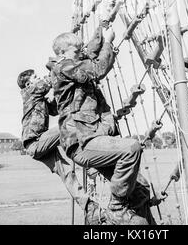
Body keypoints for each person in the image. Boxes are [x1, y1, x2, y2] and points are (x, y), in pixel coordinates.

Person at [50, 28, 153, 225]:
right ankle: (116, 209)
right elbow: (97, 69)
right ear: (62, 53)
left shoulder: (72, 62)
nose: (80, 54)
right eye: (75, 51)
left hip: (97, 138)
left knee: (141, 189)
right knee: (131, 148)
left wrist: (102, 29)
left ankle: (130, 219)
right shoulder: (63, 66)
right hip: (83, 141)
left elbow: (88, 52)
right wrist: (109, 43)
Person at [17, 69, 87, 208]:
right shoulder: (29, 92)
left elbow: (55, 109)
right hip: (35, 142)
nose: (39, 77)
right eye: (35, 77)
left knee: (67, 173)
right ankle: (88, 155)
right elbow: (46, 83)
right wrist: (60, 71)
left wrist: (66, 91)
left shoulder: (39, 98)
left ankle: (88, 206)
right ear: (28, 84)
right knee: (67, 124)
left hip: (41, 143)